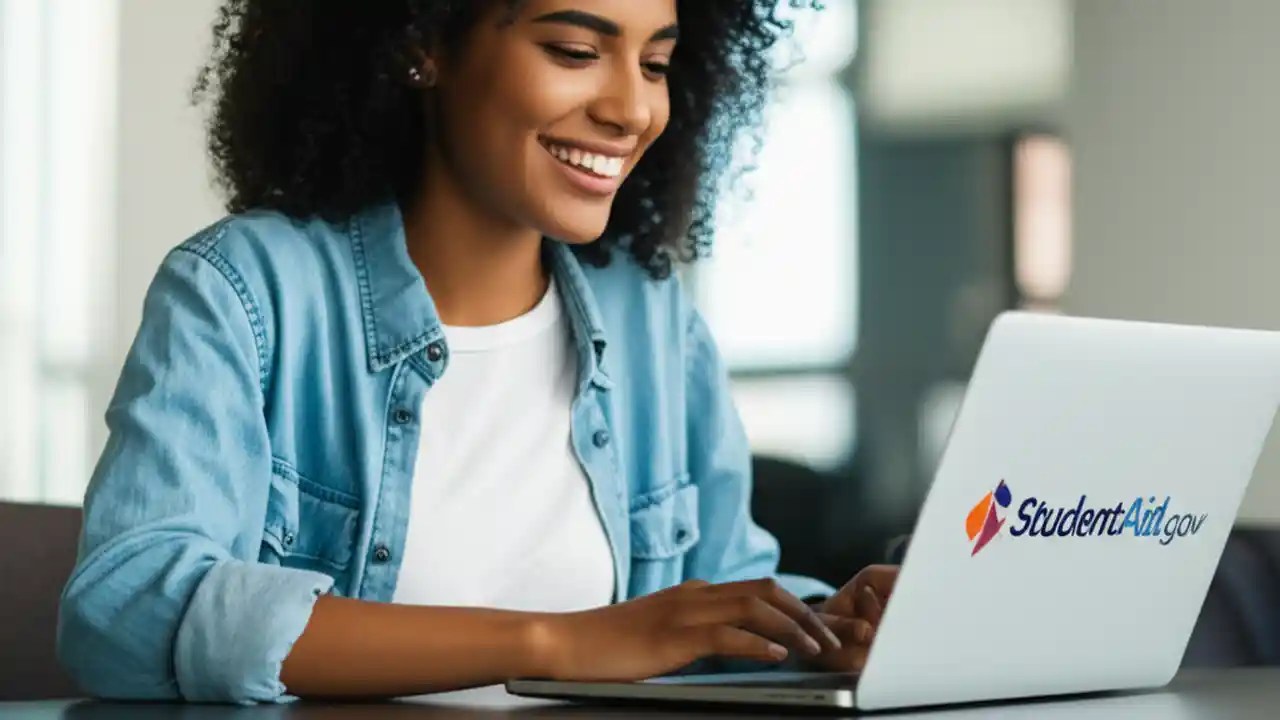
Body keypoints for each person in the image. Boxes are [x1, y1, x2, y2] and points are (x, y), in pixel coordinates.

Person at [57, 0, 898, 703]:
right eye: (574, 51)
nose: (631, 109)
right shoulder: (245, 291)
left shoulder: (653, 322)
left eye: (653, 64)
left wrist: (825, 634)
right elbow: (127, 613)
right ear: (422, 41)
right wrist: (556, 643)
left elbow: (712, 606)